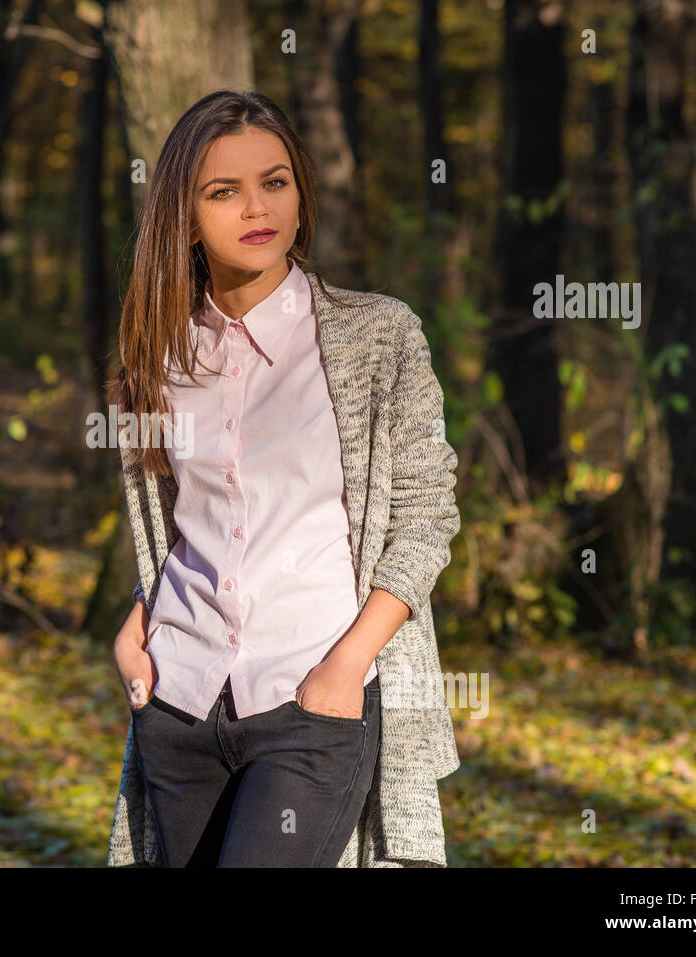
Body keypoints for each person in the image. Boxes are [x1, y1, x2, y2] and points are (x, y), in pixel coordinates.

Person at [105, 89, 462, 868]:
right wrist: (138, 625)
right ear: (184, 215)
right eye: (222, 192)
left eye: (275, 182)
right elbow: (181, 527)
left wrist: (348, 667)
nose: (256, 208)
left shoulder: (379, 336)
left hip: (313, 698)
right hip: (181, 703)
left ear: (302, 192)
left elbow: (428, 516)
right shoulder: (153, 358)